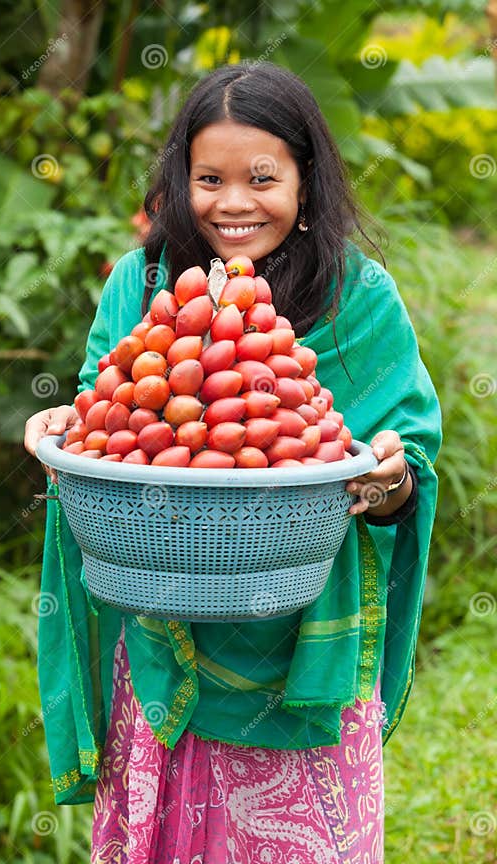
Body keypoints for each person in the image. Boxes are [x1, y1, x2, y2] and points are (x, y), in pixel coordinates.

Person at [24, 62, 442, 863]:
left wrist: (387, 479)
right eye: (209, 178)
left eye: (263, 178)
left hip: (304, 638)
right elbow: (101, 415)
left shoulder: (359, 298)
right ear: (181, 181)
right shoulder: (140, 283)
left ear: (306, 181)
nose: (235, 202)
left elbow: (406, 467)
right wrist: (63, 431)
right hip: (158, 630)